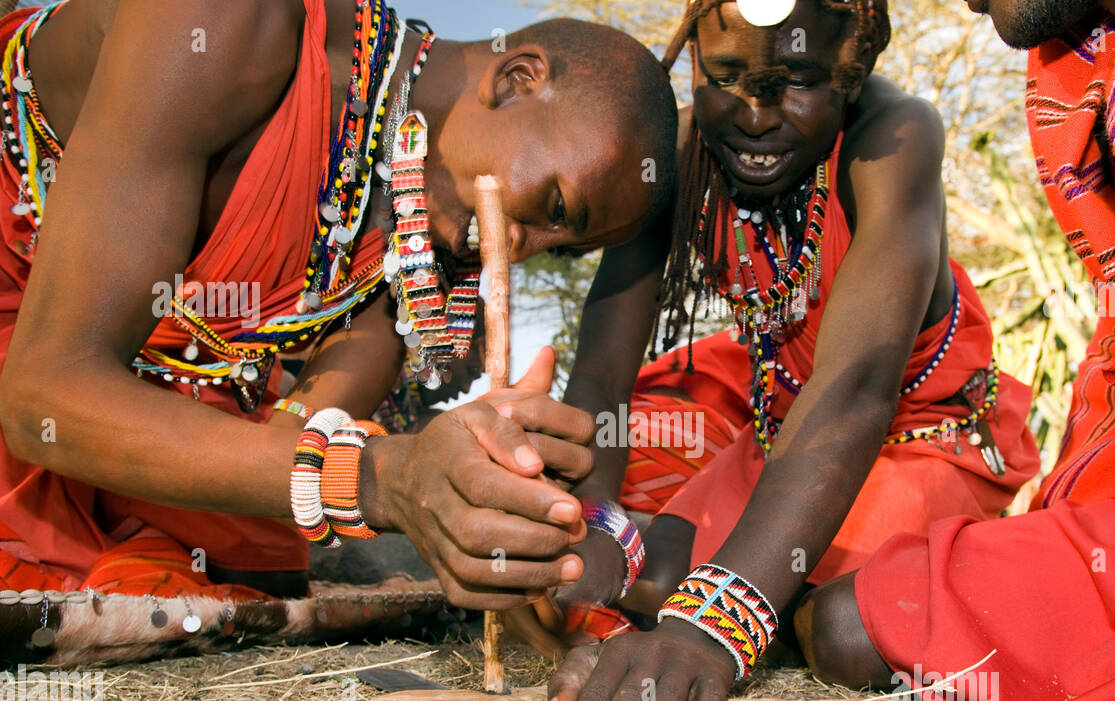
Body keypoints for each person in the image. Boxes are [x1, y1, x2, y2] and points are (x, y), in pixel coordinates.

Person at [0, 1, 679, 630]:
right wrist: (384, 478)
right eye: (557, 209)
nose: (522, 249)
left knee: (253, 555)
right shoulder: (224, 22)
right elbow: (44, 394)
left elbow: (291, 441)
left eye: (561, 252)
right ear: (517, 79)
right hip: (37, 358)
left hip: (128, 380)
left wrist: (486, 498)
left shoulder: (414, 250)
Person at [540, 0, 1041, 701]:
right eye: (725, 76)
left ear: (852, 65)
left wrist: (709, 629)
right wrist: (588, 541)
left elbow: (857, 388)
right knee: (654, 572)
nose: (752, 115)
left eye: (796, 80)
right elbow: (605, 374)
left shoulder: (894, 140)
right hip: (783, 436)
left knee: (839, 627)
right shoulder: (677, 155)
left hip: (912, 437)